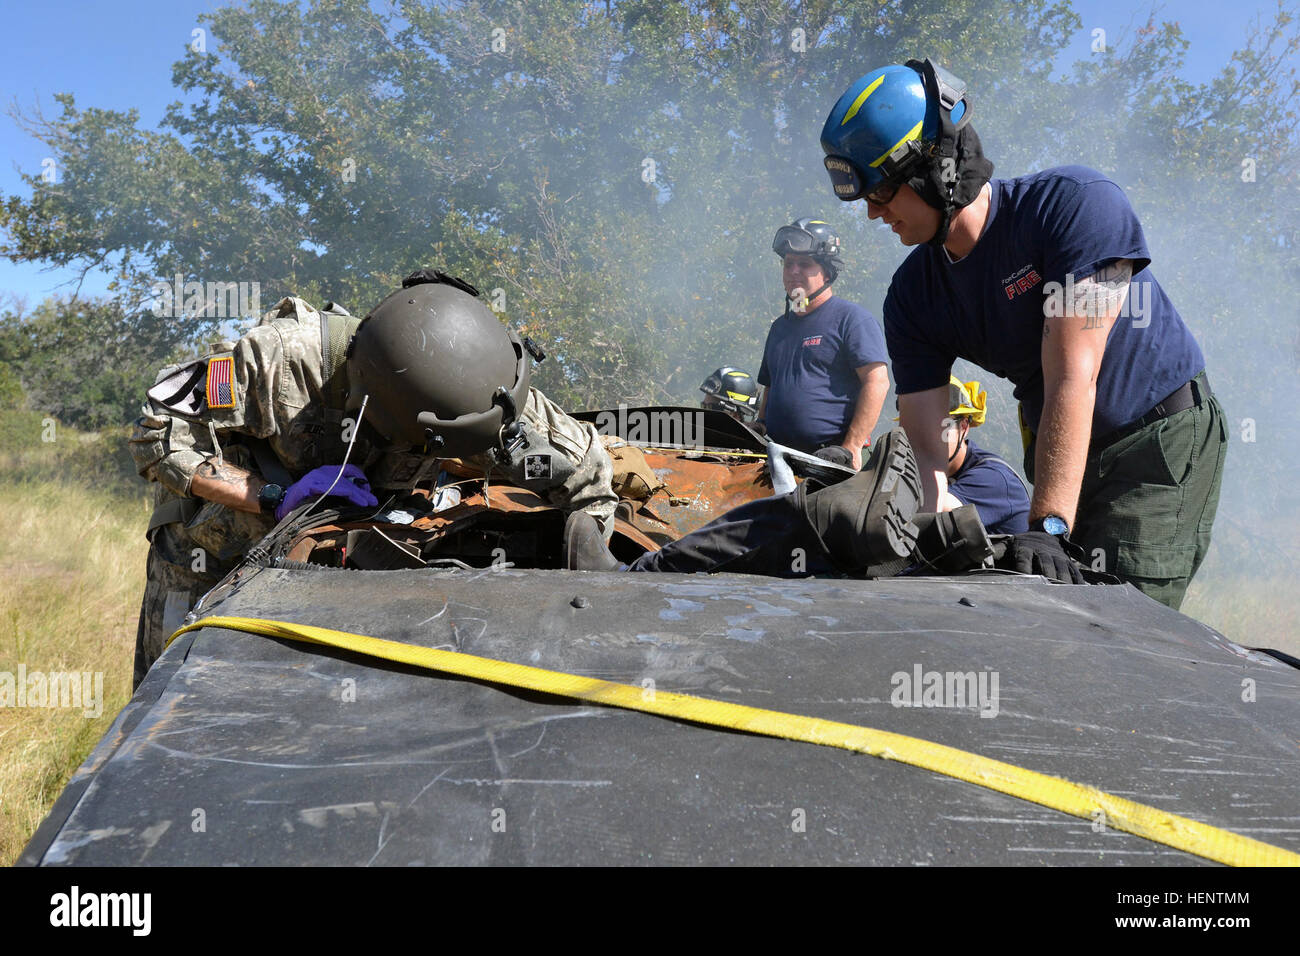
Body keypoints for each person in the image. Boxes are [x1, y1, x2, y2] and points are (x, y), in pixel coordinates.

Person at [819, 58, 1226, 608]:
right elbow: (927, 439)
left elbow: (1073, 378)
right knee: (1050, 615)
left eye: (882, 194)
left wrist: (1049, 527)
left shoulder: (1077, 206)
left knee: (1120, 622)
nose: (872, 214)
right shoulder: (913, 296)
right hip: (1062, 453)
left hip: (1154, 442)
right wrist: (938, 518)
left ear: (935, 169)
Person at [129, 270, 616, 688]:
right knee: (171, 703)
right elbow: (157, 431)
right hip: (214, 555)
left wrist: (587, 610)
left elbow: (590, 474)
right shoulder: (281, 360)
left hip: (346, 564)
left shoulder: (487, 392)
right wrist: (272, 497)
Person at [756, 217, 890, 469]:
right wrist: (760, 423)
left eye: (804, 264)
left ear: (827, 272)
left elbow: (878, 382)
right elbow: (771, 386)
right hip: (775, 461)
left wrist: (851, 446)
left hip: (829, 464)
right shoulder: (779, 328)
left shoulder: (852, 319)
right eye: (788, 264)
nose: (793, 271)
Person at [934, 377, 1030, 535]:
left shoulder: (994, 478)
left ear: (964, 427)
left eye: (940, 427)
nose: (928, 436)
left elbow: (936, 511)